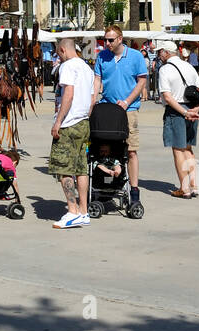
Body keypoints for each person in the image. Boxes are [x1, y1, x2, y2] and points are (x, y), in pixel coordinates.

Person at [93, 24, 148, 211]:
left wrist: (126, 101)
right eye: (104, 40)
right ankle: (104, 186)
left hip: (129, 109)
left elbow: (142, 81)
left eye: (110, 40)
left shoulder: (135, 56)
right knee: (104, 149)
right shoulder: (102, 56)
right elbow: (97, 80)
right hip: (107, 108)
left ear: (119, 39)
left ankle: (134, 191)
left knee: (130, 150)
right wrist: (93, 102)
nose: (106, 43)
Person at [49, 36, 95, 228]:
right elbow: (93, 97)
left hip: (69, 123)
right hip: (83, 122)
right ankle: (84, 211)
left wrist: (58, 121)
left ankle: (72, 210)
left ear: (62, 50)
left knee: (64, 168)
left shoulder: (67, 66)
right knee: (80, 167)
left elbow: (68, 93)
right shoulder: (87, 68)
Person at [156, 40, 199, 198]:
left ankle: (184, 188)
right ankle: (193, 185)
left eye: (159, 52)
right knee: (188, 148)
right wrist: (196, 108)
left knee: (178, 149)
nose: (158, 55)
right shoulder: (188, 66)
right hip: (192, 109)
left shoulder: (165, 70)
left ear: (166, 52)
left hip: (177, 111)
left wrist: (184, 113)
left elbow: (168, 98)